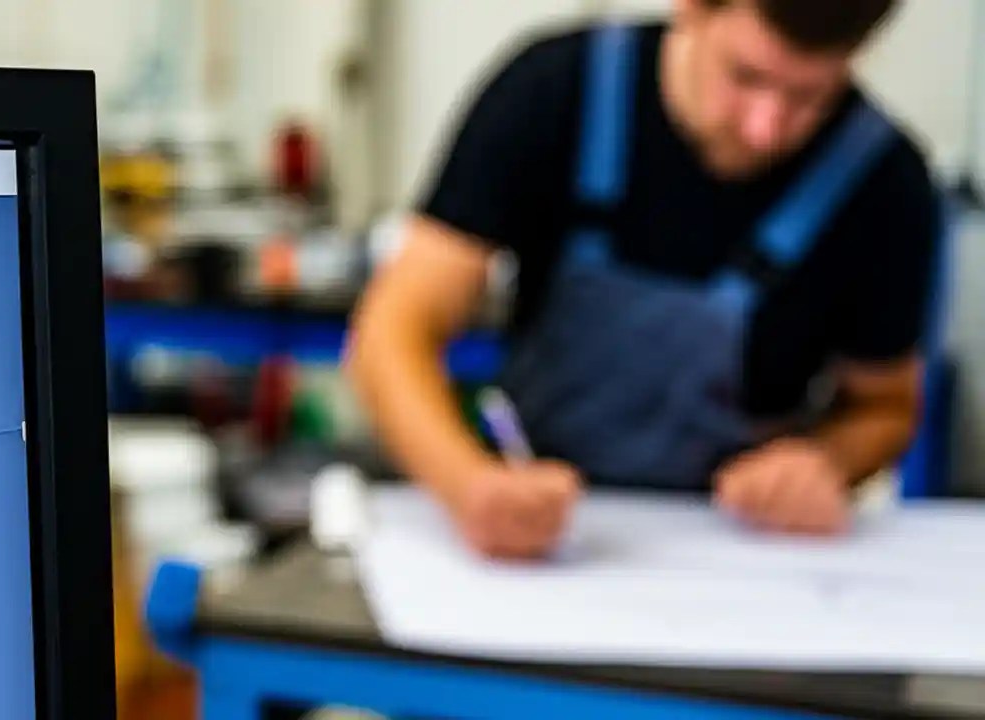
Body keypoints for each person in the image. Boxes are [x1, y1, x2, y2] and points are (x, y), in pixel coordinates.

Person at [345, 0, 942, 559]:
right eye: (745, 77)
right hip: (535, 530)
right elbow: (392, 332)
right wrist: (468, 484)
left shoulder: (885, 185)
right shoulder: (553, 90)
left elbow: (885, 407)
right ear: (690, 9)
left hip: (734, 556)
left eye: (808, 96)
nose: (765, 127)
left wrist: (827, 462)